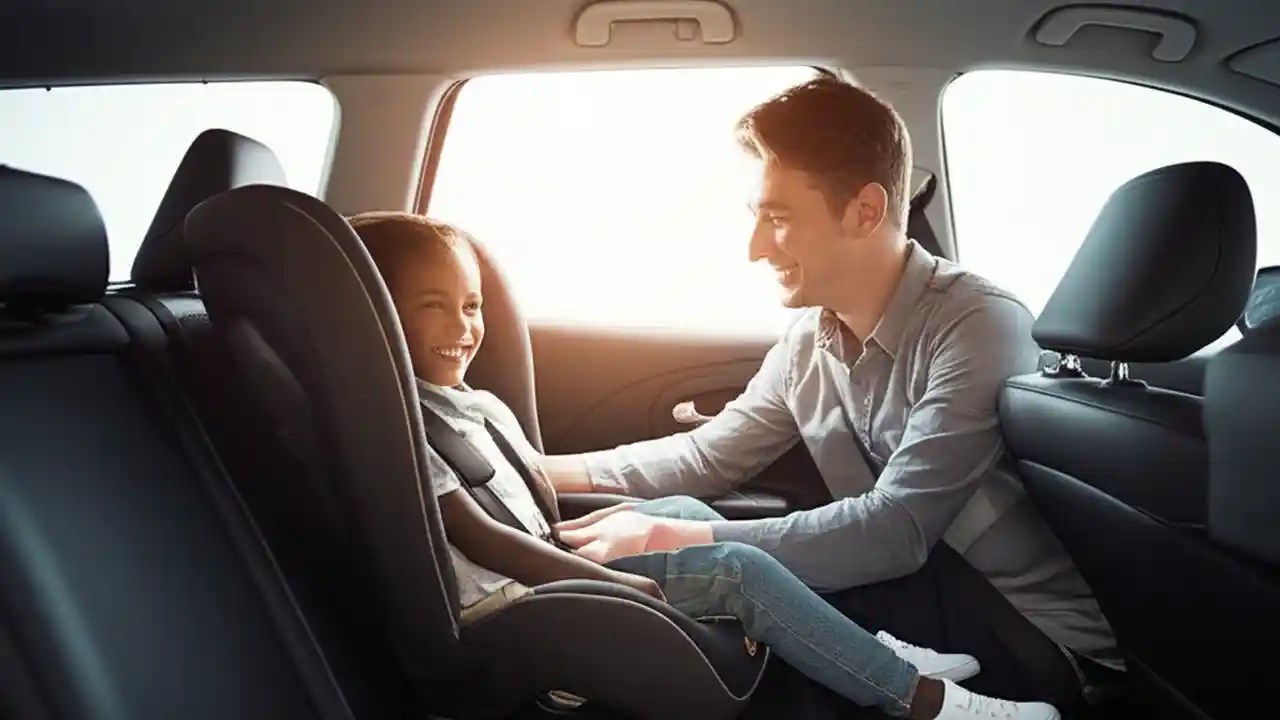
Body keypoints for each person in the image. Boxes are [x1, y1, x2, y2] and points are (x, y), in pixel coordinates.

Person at [539, 76, 1121, 712]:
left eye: (779, 218)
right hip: (918, 590)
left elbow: (895, 529)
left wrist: (665, 541)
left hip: (1023, 634)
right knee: (682, 512)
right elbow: (709, 458)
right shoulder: (808, 343)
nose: (756, 247)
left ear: (864, 212)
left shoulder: (977, 324)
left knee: (699, 570)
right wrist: (539, 470)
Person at [348, 210, 1062, 720]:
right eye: (434, 307)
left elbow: (529, 487)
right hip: (517, 599)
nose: (465, 326)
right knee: (733, 566)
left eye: (471, 306)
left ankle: (870, 651)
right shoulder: (398, 422)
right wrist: (607, 575)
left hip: (538, 564)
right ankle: (924, 701)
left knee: (693, 516)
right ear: (377, 317)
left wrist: (619, 519)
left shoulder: (471, 403)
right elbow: (486, 539)